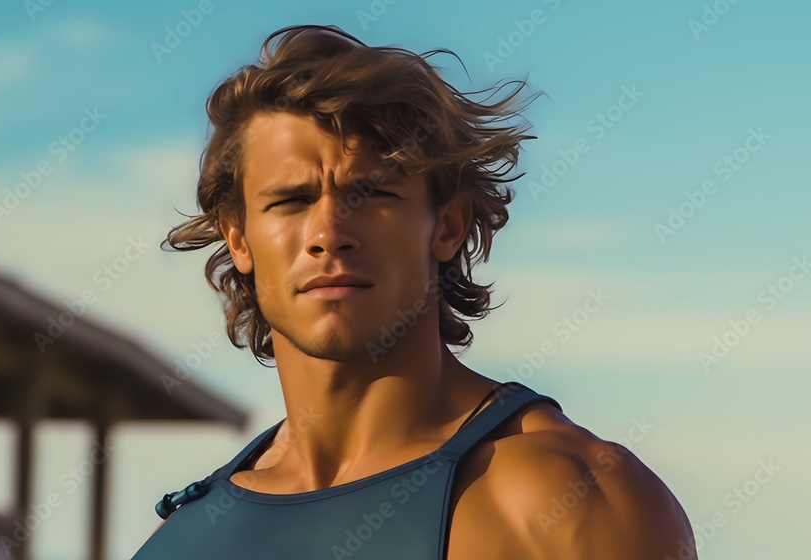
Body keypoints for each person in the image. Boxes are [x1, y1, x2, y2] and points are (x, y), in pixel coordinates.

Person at [132, 24, 696, 560]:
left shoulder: (572, 502)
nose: (329, 234)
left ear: (448, 225)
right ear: (239, 238)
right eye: (291, 201)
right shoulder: (182, 539)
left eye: (371, 193)